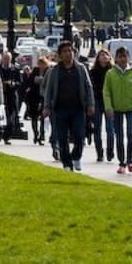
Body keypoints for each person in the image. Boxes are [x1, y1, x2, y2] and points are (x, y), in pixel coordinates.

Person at [42, 40, 94, 172]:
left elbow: (88, 87)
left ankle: (76, 157)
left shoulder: (81, 69)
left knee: (79, 135)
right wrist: (47, 107)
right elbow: (49, 90)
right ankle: (66, 163)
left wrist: (90, 104)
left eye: (70, 51)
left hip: (78, 109)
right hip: (60, 109)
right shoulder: (55, 71)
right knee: (62, 138)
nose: (68, 54)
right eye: (65, 51)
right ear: (60, 55)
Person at [103, 45, 132, 174]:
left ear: (128, 57)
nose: (122, 59)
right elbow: (106, 92)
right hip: (116, 109)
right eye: (120, 56)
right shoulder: (110, 74)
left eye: (124, 56)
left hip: (130, 108)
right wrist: (108, 107)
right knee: (119, 136)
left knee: (130, 134)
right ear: (116, 58)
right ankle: (122, 162)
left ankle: (130, 161)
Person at [88, 48, 114, 163]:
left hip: (109, 102)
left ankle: (110, 151)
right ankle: (99, 152)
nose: (104, 57)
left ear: (109, 57)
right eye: (101, 55)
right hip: (97, 101)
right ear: (98, 58)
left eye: (106, 55)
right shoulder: (93, 72)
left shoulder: (112, 72)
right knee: (97, 128)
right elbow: (90, 87)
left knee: (110, 129)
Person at [0, 51, 21, 144]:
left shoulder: (15, 69)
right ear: (2, 59)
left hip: (11, 96)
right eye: (5, 58)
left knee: (10, 118)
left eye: (8, 59)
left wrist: (13, 84)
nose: (6, 60)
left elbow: (20, 82)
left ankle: (7, 137)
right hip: (0, 96)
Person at [23, 57, 49, 145]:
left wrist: (40, 80)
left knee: (43, 117)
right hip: (34, 96)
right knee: (34, 117)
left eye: (43, 64)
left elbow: (49, 82)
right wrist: (36, 81)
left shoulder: (48, 71)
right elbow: (30, 81)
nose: (41, 66)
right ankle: (35, 133)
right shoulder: (35, 70)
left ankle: (42, 135)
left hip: (44, 97)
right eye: (40, 64)